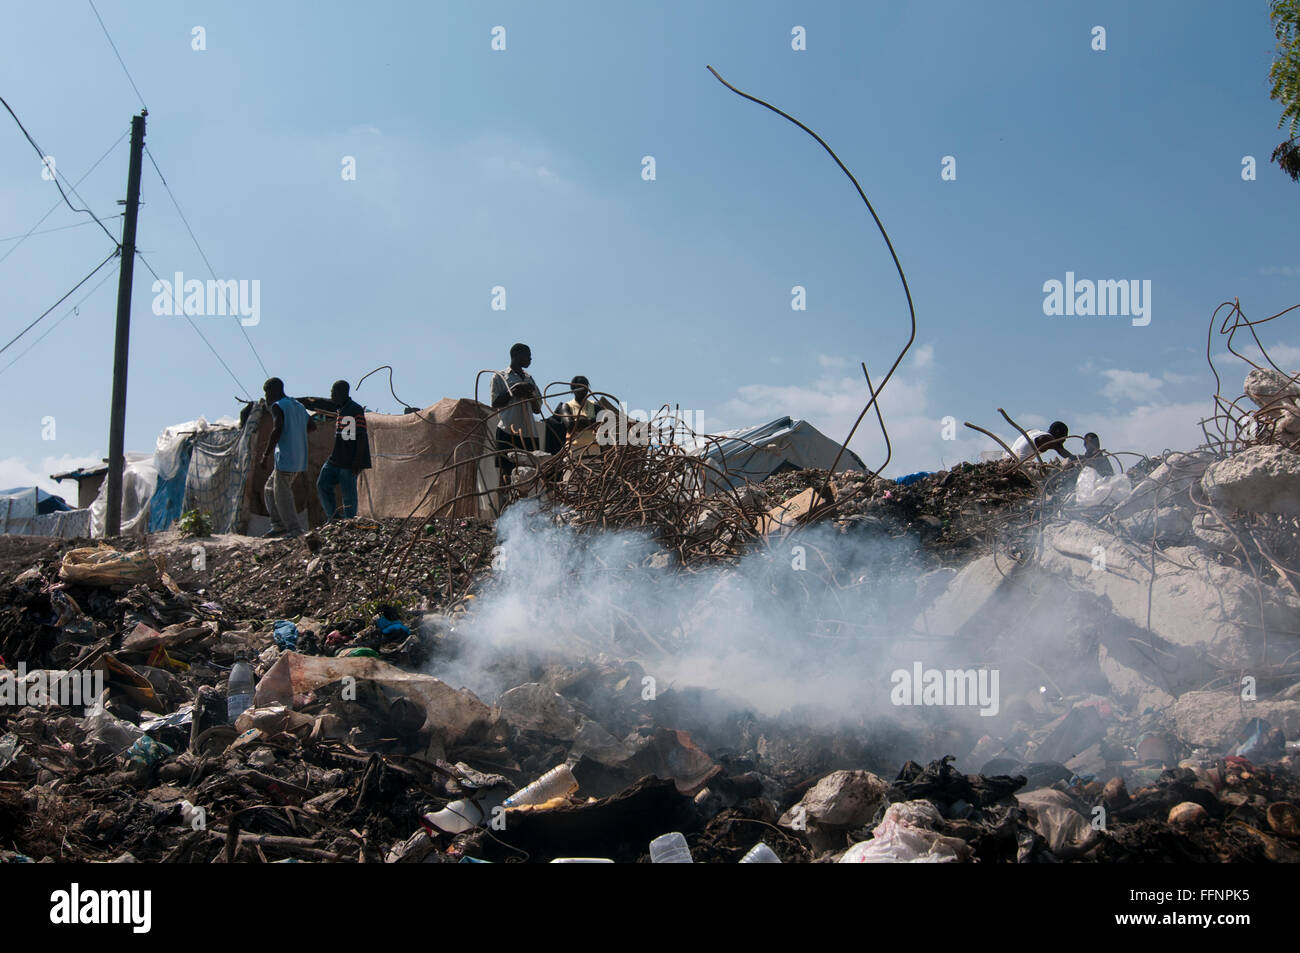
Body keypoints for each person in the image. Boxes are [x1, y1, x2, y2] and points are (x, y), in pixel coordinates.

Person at [258, 378, 316, 536]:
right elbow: (312, 425)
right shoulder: (298, 406)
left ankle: (294, 529)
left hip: (286, 457)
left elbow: (277, 429)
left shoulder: (278, 406)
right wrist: (296, 434)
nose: (266, 396)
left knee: (282, 494)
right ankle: (278, 525)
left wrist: (265, 454)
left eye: (267, 392)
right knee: (270, 489)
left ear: (275, 390)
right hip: (299, 456)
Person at [317, 380, 371, 520]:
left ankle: (349, 524)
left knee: (348, 497)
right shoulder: (341, 410)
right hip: (335, 459)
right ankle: (334, 519)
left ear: (341, 392)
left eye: (333, 392)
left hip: (348, 461)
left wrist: (358, 460)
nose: (331, 395)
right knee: (323, 485)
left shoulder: (354, 409)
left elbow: (361, 436)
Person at [491, 343, 541, 484]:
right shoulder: (500, 377)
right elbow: (495, 402)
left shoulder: (530, 379)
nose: (530, 359)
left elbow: (537, 409)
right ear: (516, 355)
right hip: (507, 431)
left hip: (529, 433)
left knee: (530, 472)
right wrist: (513, 391)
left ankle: (526, 504)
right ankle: (506, 504)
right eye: (528, 355)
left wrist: (530, 394)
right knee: (506, 472)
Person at [1008, 420, 1075, 462]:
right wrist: (1079, 459)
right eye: (1064, 436)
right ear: (1057, 432)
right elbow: (1061, 450)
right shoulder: (1047, 438)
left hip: (1006, 459)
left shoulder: (1033, 431)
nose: (1065, 440)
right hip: (1015, 464)